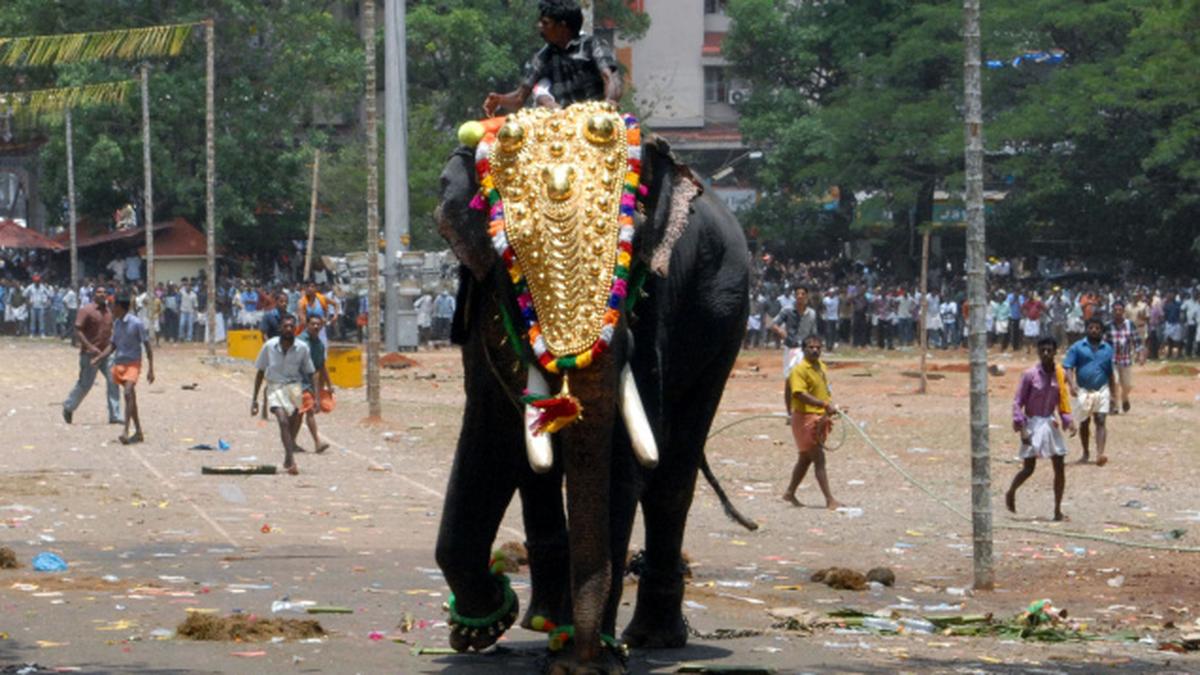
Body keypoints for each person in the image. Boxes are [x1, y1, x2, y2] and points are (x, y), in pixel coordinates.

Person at [483, 0, 622, 117]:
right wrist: (500, 99)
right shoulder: (543, 56)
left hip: (595, 120)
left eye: (545, 23)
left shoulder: (591, 45)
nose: (539, 26)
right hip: (563, 125)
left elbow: (610, 78)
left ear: (562, 26)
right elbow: (520, 97)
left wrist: (609, 102)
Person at [1005, 336, 1076, 521]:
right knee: (1029, 468)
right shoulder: (1030, 375)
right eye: (1042, 350)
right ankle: (1011, 491)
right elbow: (1018, 401)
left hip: (1050, 423)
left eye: (1049, 350)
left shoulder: (1059, 375)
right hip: (1033, 423)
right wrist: (1021, 427)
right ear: (1038, 352)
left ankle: (1057, 510)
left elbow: (1063, 400)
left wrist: (1068, 420)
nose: (1046, 353)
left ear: (1055, 352)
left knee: (1059, 466)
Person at [251, 314, 317, 476]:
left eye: (291, 326)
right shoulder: (269, 346)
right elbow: (260, 371)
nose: (288, 329)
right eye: (285, 326)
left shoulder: (302, 348)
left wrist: (314, 397)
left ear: (295, 329)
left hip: (294, 388)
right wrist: (255, 399)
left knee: (292, 422)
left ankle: (289, 453)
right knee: (282, 420)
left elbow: (310, 372)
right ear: (280, 328)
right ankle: (290, 458)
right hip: (275, 386)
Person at [781, 335, 841, 509]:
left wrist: (829, 407)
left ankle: (790, 493)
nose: (815, 350)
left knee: (805, 458)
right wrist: (822, 404)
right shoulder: (799, 370)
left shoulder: (821, 367)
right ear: (803, 349)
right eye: (811, 347)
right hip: (805, 418)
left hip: (820, 416)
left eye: (818, 347)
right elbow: (798, 393)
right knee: (819, 458)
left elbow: (824, 390)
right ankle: (830, 499)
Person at [92, 295, 155, 444]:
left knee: (127, 393)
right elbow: (112, 345)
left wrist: (151, 369)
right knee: (130, 398)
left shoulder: (136, 323)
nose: (112, 309)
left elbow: (147, 345)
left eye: (114, 306)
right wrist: (99, 358)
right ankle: (139, 432)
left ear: (121, 307)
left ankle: (126, 431)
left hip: (133, 363)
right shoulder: (118, 324)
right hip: (120, 364)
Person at [62, 286, 121, 425]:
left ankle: (115, 415)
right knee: (85, 384)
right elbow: (78, 330)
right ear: (94, 295)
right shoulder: (86, 310)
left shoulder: (109, 311)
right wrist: (90, 347)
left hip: (106, 353)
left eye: (105, 292)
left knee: (114, 381)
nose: (102, 294)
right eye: (99, 292)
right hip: (90, 354)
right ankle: (68, 406)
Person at [1063, 317, 1115, 466]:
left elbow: (1110, 373)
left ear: (1102, 331)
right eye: (1091, 327)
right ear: (1087, 329)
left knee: (1100, 420)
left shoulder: (1108, 349)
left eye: (1097, 328)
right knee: (1084, 422)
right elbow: (1068, 367)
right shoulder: (1078, 347)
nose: (1094, 330)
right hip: (1083, 390)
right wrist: (1072, 384)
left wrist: (1114, 395)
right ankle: (1085, 452)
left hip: (1102, 389)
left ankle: (1100, 454)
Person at [296, 314, 333, 454]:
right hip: (298, 381)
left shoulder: (319, 344)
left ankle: (291, 441)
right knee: (309, 410)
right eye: (313, 324)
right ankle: (317, 442)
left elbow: (321, 365)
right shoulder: (300, 342)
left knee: (299, 414)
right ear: (307, 325)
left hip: (310, 381)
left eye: (318, 324)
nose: (316, 326)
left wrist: (329, 385)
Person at [770, 284, 818, 379]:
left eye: (802, 294)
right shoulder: (787, 310)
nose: (800, 296)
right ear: (794, 296)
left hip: (805, 349)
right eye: (797, 294)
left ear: (807, 296)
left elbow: (814, 333)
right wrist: (780, 331)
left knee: (804, 376)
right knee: (789, 376)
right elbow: (774, 324)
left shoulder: (812, 313)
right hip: (791, 347)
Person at [1104, 300, 1144, 414]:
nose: (1117, 312)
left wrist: (1140, 354)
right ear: (1112, 312)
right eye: (1115, 310)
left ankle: (1125, 398)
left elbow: (1136, 341)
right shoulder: (1107, 326)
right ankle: (1115, 406)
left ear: (1123, 311)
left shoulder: (1129, 324)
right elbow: (1102, 342)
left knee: (1127, 385)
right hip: (1112, 360)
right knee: (1115, 383)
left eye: (1120, 310)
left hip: (1126, 359)